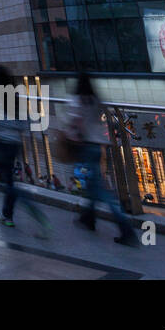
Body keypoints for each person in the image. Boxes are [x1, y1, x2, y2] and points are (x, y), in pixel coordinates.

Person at [64, 73, 138, 246]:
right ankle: (88, 219)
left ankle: (126, 229)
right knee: (93, 185)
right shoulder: (95, 99)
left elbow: (76, 123)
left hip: (86, 145)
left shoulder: (77, 101)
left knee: (102, 191)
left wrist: (71, 136)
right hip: (99, 145)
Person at [0, 66, 49, 235]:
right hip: (14, 144)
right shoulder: (17, 100)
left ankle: (27, 204)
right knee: (9, 182)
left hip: (0, 144)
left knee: (9, 184)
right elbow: (25, 124)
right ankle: (7, 216)